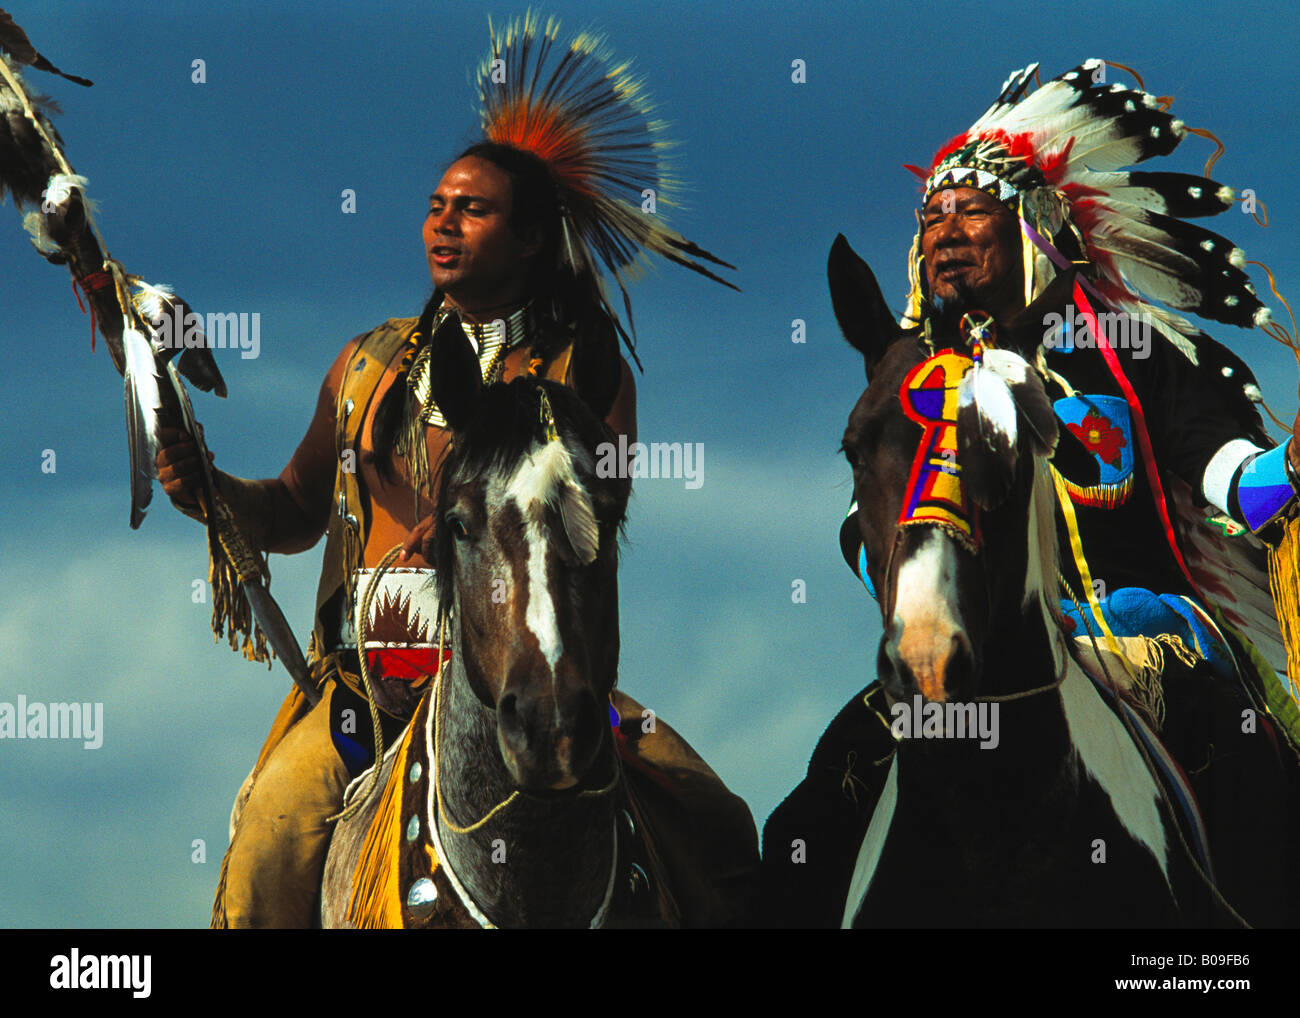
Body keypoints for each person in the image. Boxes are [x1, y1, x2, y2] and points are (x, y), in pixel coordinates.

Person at [157, 16, 757, 928]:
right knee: (267, 845)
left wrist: (473, 526)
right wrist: (212, 491)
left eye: (473, 209)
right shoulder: (366, 367)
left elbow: (600, 515)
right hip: (366, 699)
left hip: (534, 679)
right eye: (438, 203)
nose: (444, 220)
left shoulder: (583, 375)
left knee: (714, 819)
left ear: (528, 243)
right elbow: (291, 507)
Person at [768, 58, 1300, 925]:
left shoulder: (1126, 349)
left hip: (1144, 650)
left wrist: (1293, 469)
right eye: (931, 215)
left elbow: (1237, 487)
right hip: (962, 659)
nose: (944, 231)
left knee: (1257, 778)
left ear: (1035, 223)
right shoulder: (910, 379)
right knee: (818, 805)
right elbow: (874, 539)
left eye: (970, 210)